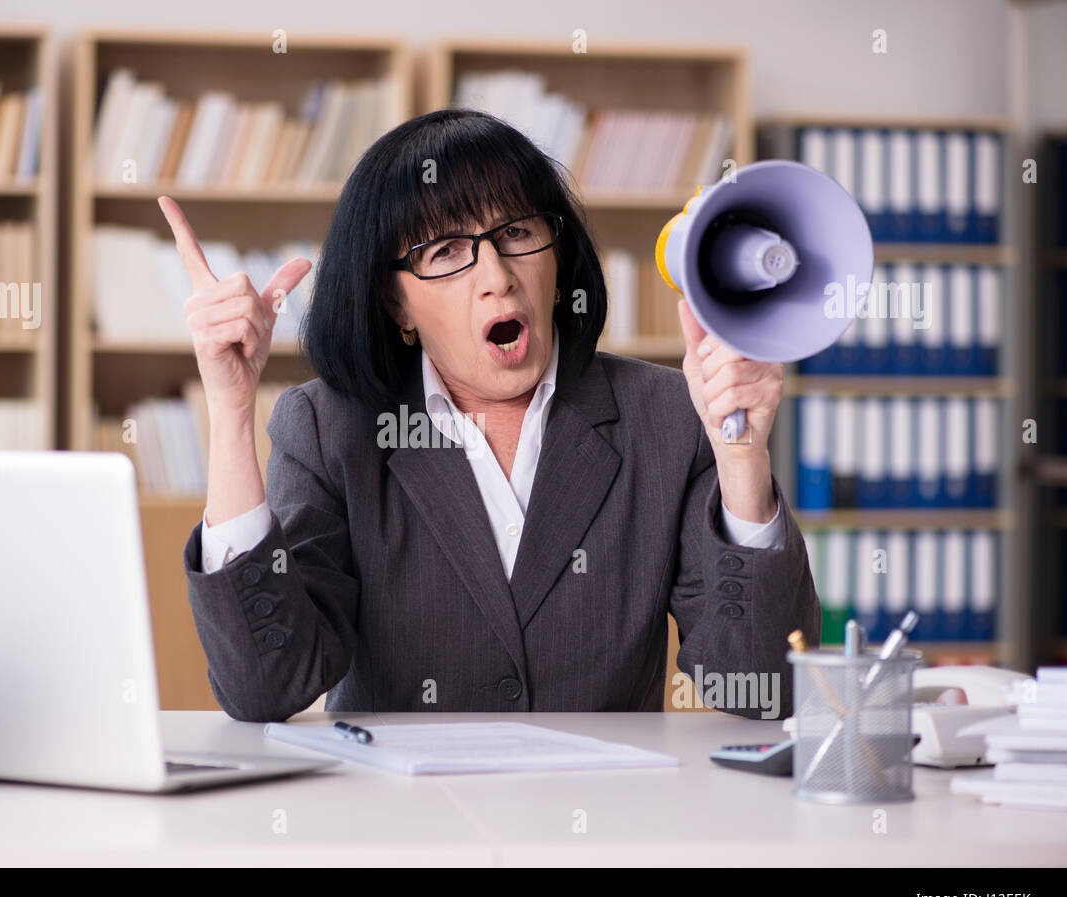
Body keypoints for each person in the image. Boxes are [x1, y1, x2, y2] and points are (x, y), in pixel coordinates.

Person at [159, 108, 820, 723]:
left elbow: (762, 689)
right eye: (445, 250)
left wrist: (741, 459)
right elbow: (266, 686)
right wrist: (230, 406)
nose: (497, 274)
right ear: (397, 305)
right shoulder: (330, 429)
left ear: (557, 263)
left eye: (516, 232)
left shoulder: (671, 416)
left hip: (603, 827)